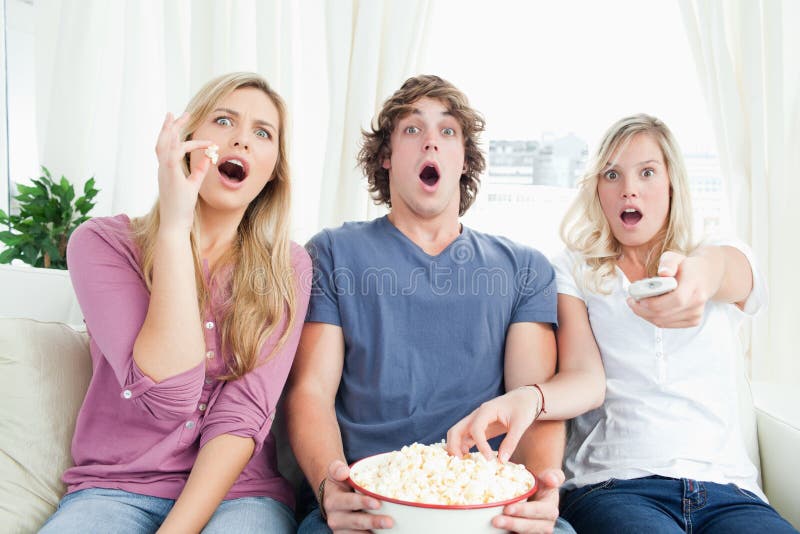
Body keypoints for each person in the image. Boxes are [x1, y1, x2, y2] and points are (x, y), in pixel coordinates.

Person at [285, 74, 576, 534]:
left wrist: (537, 494)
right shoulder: (332, 253)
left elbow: (532, 402)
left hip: (486, 508)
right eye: (412, 130)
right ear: (386, 156)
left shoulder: (525, 269)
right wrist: (329, 490)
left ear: (464, 160)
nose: (431, 144)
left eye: (447, 132)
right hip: (370, 507)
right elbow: (311, 392)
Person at [40, 72, 311, 533]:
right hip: (114, 490)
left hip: (239, 495)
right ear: (188, 141)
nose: (242, 140)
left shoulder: (289, 268)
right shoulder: (103, 244)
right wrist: (173, 227)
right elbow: (170, 395)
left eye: (262, 133)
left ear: (273, 171)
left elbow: (240, 418)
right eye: (224, 121)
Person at [548, 114, 797, 533]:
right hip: (615, 487)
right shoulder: (573, 270)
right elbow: (579, 375)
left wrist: (697, 278)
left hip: (730, 494)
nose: (629, 188)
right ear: (597, 189)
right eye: (612, 174)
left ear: (671, 184)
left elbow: (728, 272)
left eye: (647, 172)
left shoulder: (715, 250)